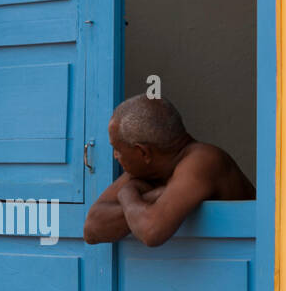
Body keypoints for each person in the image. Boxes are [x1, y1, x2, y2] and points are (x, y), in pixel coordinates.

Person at [82, 94, 254, 247]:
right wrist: (149, 196)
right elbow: (92, 229)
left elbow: (151, 231)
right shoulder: (148, 170)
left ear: (143, 152)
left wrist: (126, 194)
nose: (115, 156)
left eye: (117, 149)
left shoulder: (203, 161)